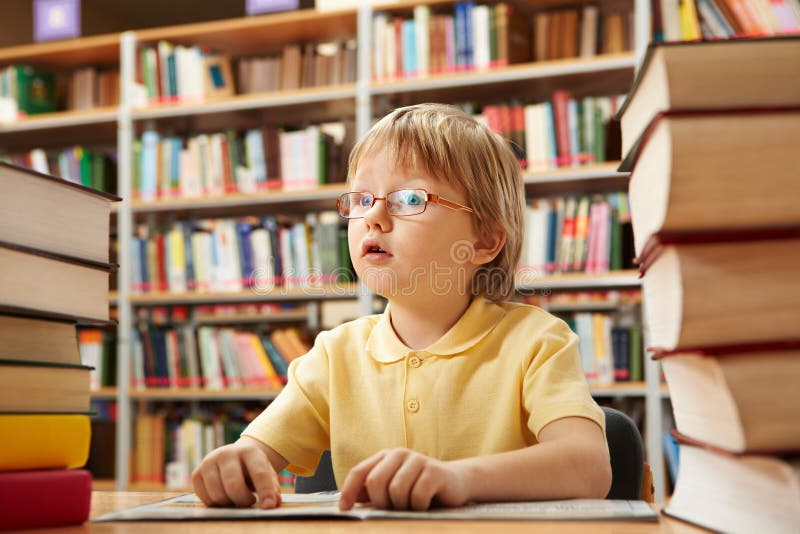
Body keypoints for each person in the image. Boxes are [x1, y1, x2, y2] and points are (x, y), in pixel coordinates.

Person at [192, 103, 612, 512]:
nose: (373, 217)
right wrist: (237, 464)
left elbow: (589, 468)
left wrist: (457, 479)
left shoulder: (537, 341)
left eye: (410, 199)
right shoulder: (333, 356)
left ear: (484, 240)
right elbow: (255, 453)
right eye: (361, 199)